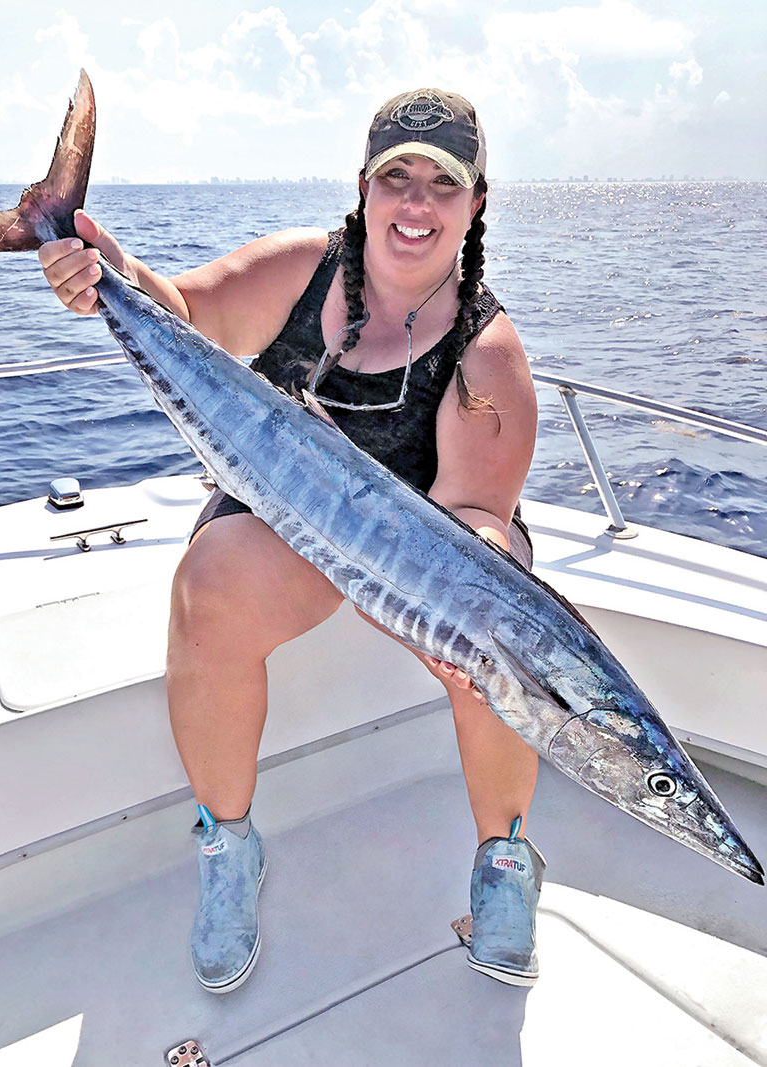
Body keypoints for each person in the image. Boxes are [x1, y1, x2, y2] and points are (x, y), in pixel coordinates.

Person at [38, 88, 544, 992]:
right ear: (363, 186)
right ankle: (228, 843)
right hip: (285, 520)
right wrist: (105, 268)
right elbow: (183, 311)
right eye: (398, 178)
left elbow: (476, 513)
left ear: (476, 203)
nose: (417, 204)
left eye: (443, 183)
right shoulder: (302, 272)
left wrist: (477, 598)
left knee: (504, 653)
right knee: (209, 590)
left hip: (423, 549)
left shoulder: (487, 352)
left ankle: (503, 862)